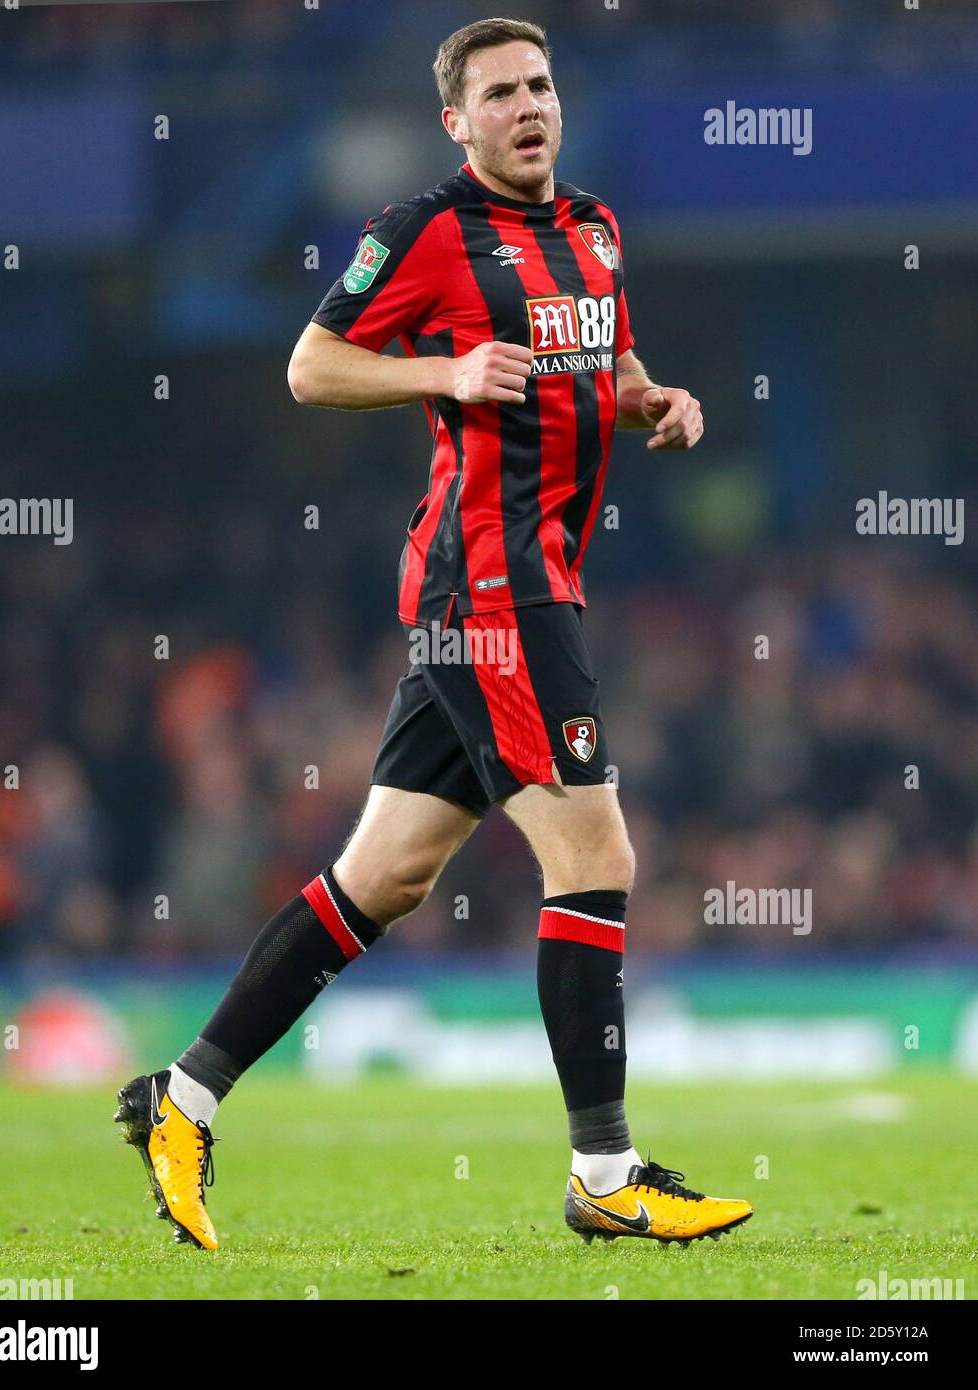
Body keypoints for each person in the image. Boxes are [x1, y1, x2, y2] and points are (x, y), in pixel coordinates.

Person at [115, 16, 751, 1251]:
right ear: (456, 121)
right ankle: (605, 1169)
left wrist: (655, 403)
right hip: (491, 589)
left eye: (541, 86)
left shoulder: (594, 231)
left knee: (386, 874)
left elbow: (604, 367)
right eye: (500, 94)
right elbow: (310, 365)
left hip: (537, 582)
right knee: (595, 848)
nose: (528, 107)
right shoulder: (421, 234)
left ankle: (180, 1099)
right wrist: (444, 373)